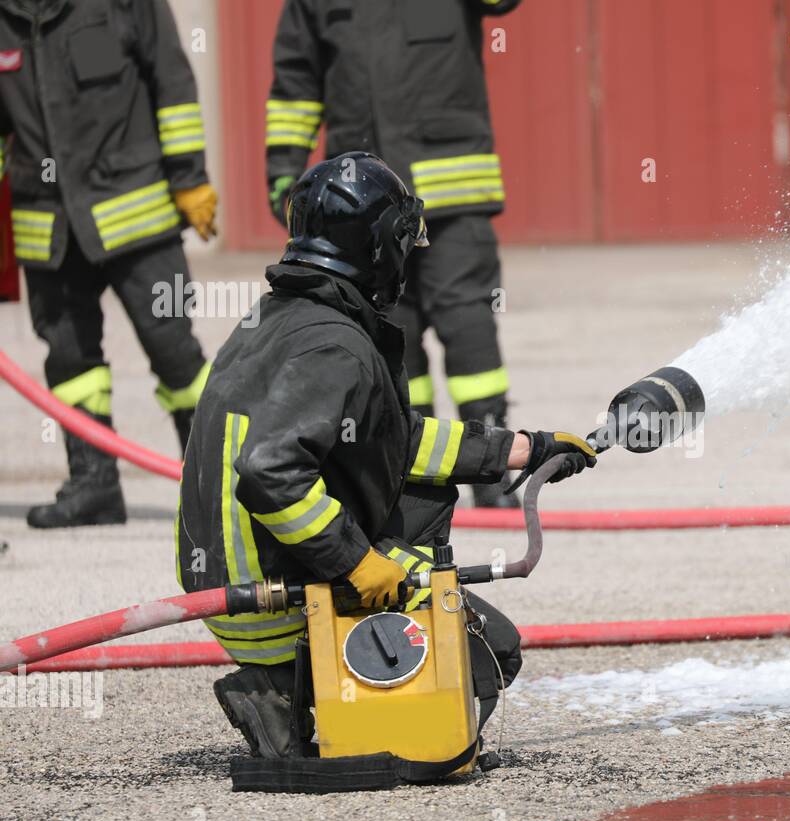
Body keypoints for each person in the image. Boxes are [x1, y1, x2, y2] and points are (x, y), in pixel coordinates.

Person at [175, 153, 595, 759]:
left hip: (231, 579)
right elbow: (271, 476)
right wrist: (355, 563)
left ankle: (296, 678)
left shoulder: (281, 316)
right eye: (403, 238)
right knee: (490, 654)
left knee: (423, 497)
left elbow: (389, 440)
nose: (409, 253)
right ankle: (281, 686)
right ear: (376, 246)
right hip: (270, 596)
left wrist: (520, 449)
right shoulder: (335, 346)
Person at [265, 0, 522, 507]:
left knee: (465, 315)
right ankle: (414, 466)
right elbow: (296, 83)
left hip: (451, 188)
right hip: (365, 199)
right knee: (388, 326)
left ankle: (490, 466)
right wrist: (284, 173)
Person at [0, 0, 217, 527]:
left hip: (135, 212)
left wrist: (188, 177)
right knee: (70, 361)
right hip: (47, 222)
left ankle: (214, 486)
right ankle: (93, 485)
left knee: (175, 355)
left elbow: (172, 80)